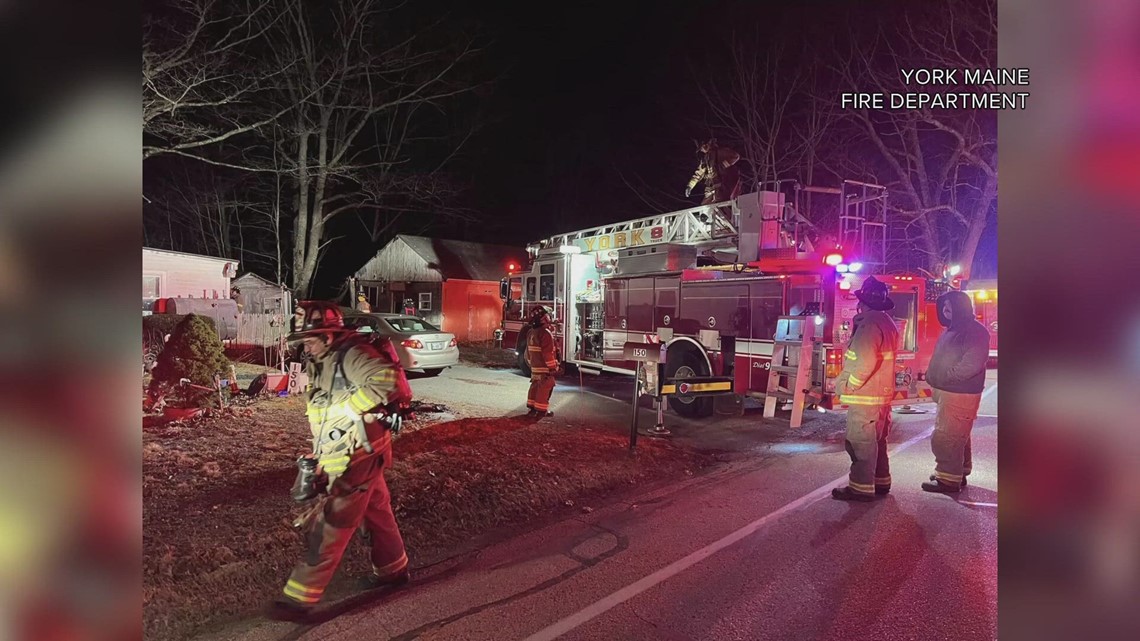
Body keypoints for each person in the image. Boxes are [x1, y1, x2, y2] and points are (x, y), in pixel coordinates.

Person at [267, 302, 410, 621]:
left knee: (333, 522)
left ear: (330, 336)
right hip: (349, 453)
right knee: (377, 511)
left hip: (359, 455)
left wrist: (352, 408)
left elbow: (388, 381)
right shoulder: (321, 362)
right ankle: (394, 570)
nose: (306, 344)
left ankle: (298, 599)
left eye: (312, 337)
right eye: (305, 338)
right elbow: (324, 417)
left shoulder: (352, 356)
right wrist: (319, 457)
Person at [832, 276, 901, 502]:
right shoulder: (887, 322)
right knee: (878, 442)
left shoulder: (869, 325)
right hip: (880, 398)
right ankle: (881, 481)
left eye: (860, 302)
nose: (858, 305)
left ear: (864, 304)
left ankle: (860, 487)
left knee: (860, 443)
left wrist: (849, 386)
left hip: (865, 397)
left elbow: (864, 362)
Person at [923, 290, 991, 493]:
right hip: (950, 391)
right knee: (958, 434)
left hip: (959, 392)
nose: (946, 312)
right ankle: (956, 472)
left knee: (947, 436)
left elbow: (971, 364)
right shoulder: (953, 330)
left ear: (960, 308)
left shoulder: (975, 331)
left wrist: (945, 377)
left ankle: (947, 479)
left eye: (950, 308)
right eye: (944, 308)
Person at [525, 306, 561, 418]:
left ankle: (532, 408)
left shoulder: (531, 332)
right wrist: (552, 368)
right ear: (544, 318)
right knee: (546, 386)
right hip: (544, 367)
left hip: (535, 366)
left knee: (535, 385)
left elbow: (527, 352)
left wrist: (532, 364)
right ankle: (541, 410)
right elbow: (547, 353)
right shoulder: (545, 333)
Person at [684, 138, 742, 205]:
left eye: (701, 148)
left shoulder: (720, 152)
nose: (702, 151)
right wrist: (690, 186)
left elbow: (735, 156)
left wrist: (723, 165)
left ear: (706, 144)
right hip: (710, 188)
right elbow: (699, 174)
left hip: (722, 187)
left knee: (721, 206)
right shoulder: (705, 159)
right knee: (704, 207)